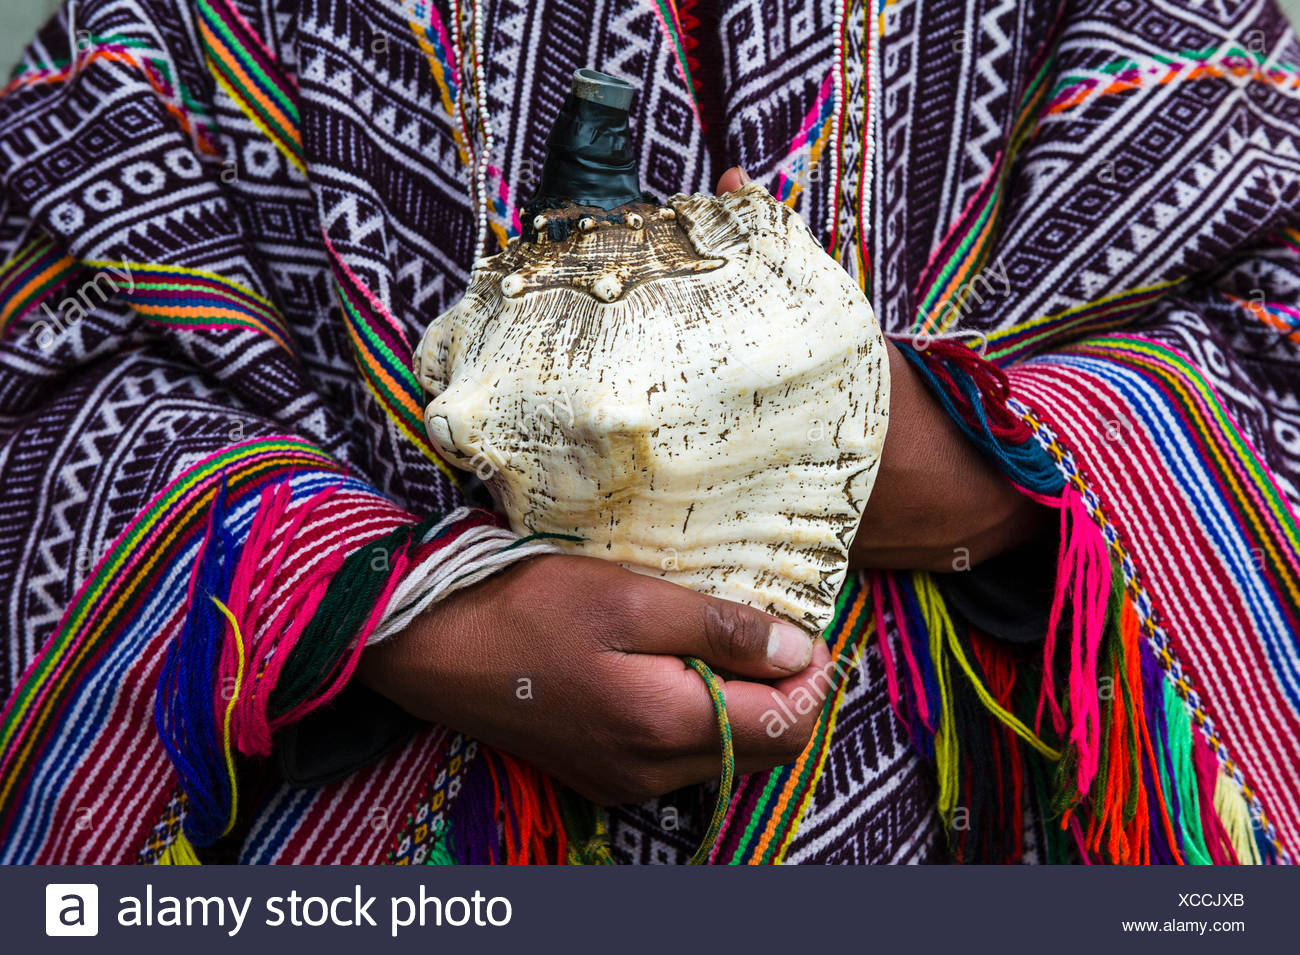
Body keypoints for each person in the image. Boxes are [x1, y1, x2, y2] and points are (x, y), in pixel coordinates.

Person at [0, 0, 1296, 865]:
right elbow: (53, 355)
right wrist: (422, 622)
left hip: (959, 824)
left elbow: (1267, 297)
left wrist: (957, 467)